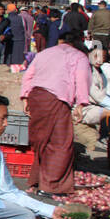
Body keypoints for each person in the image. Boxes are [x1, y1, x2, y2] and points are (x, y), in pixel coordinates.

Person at [20, 31, 91, 195]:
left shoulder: (45, 53)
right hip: (57, 98)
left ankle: (38, 180)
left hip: (36, 97)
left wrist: (25, 98)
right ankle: (51, 185)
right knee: (60, 143)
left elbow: (28, 75)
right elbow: (82, 79)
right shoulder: (79, 57)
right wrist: (81, 104)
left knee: (42, 140)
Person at [81, 44, 110, 142]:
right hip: (85, 108)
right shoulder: (86, 71)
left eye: (102, 57)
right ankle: (102, 138)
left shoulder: (100, 72)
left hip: (95, 105)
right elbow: (97, 96)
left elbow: (104, 91)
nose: (99, 60)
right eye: (96, 56)